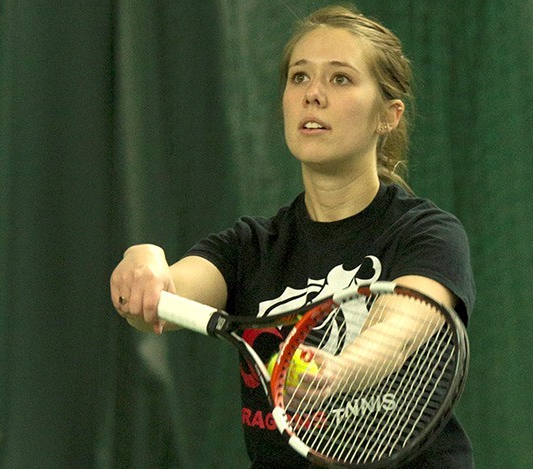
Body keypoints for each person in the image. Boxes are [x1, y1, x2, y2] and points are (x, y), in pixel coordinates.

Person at [110, 5, 475, 467]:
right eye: (300, 78)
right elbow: (159, 301)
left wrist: (341, 370)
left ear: (389, 115)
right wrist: (144, 264)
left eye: (340, 79)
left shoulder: (428, 234)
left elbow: (405, 325)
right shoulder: (248, 248)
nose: (313, 95)